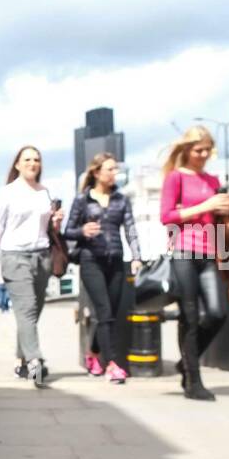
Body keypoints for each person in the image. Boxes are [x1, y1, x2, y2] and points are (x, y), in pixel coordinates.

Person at [0, 146, 64, 387]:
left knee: (32, 313)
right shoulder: (6, 193)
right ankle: (35, 363)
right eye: (27, 159)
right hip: (14, 257)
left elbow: (50, 230)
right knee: (27, 309)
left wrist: (57, 222)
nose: (33, 163)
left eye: (37, 159)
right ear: (17, 165)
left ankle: (21, 361)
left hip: (42, 257)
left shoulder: (45, 193)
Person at [160, 126, 229, 402]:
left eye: (207, 150)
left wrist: (223, 209)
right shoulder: (175, 178)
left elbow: (218, 221)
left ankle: (185, 363)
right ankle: (193, 381)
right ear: (187, 150)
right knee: (189, 317)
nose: (203, 155)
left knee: (217, 313)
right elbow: (166, 216)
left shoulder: (213, 180)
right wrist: (206, 205)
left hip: (210, 251)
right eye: (198, 149)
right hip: (183, 251)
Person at [66, 153, 143, 384]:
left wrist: (137, 256)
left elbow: (130, 228)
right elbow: (68, 231)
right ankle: (112, 365)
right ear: (97, 172)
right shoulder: (83, 201)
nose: (114, 173)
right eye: (110, 169)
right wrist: (82, 231)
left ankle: (93, 353)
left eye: (115, 169)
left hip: (116, 261)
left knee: (107, 315)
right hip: (91, 261)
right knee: (104, 313)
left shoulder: (121, 199)